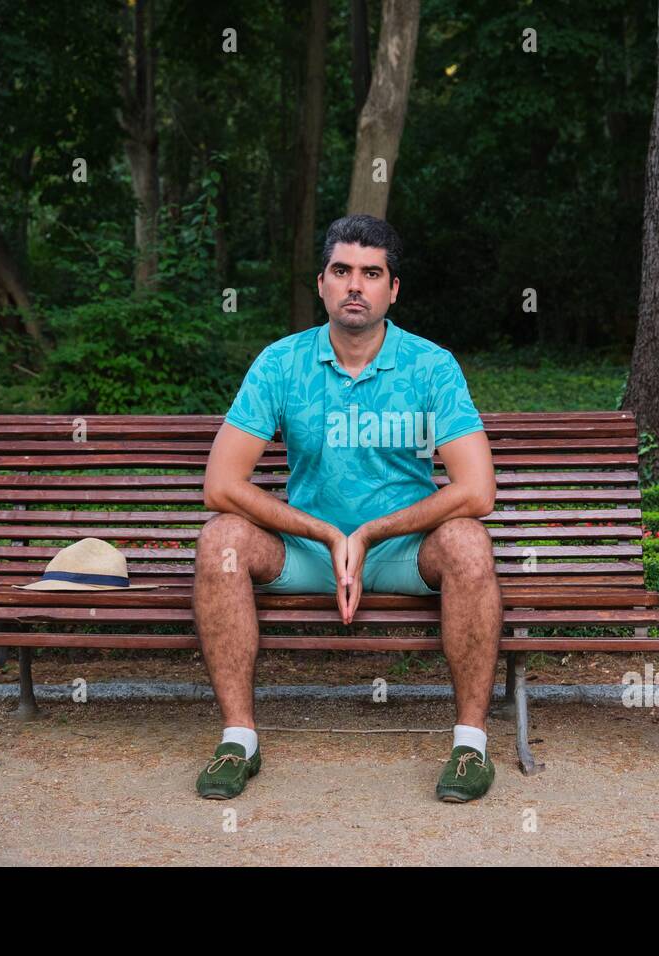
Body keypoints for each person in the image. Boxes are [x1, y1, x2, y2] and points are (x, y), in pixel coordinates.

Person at [193, 213, 502, 802]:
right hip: (309, 552)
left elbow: (476, 491)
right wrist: (330, 535)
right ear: (322, 284)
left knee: (467, 541)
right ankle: (238, 740)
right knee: (221, 539)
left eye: (371, 273)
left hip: (403, 552)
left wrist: (368, 534)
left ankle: (470, 745)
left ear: (393, 289)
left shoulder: (431, 366)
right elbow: (221, 484)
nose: (355, 285)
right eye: (342, 271)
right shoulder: (282, 363)